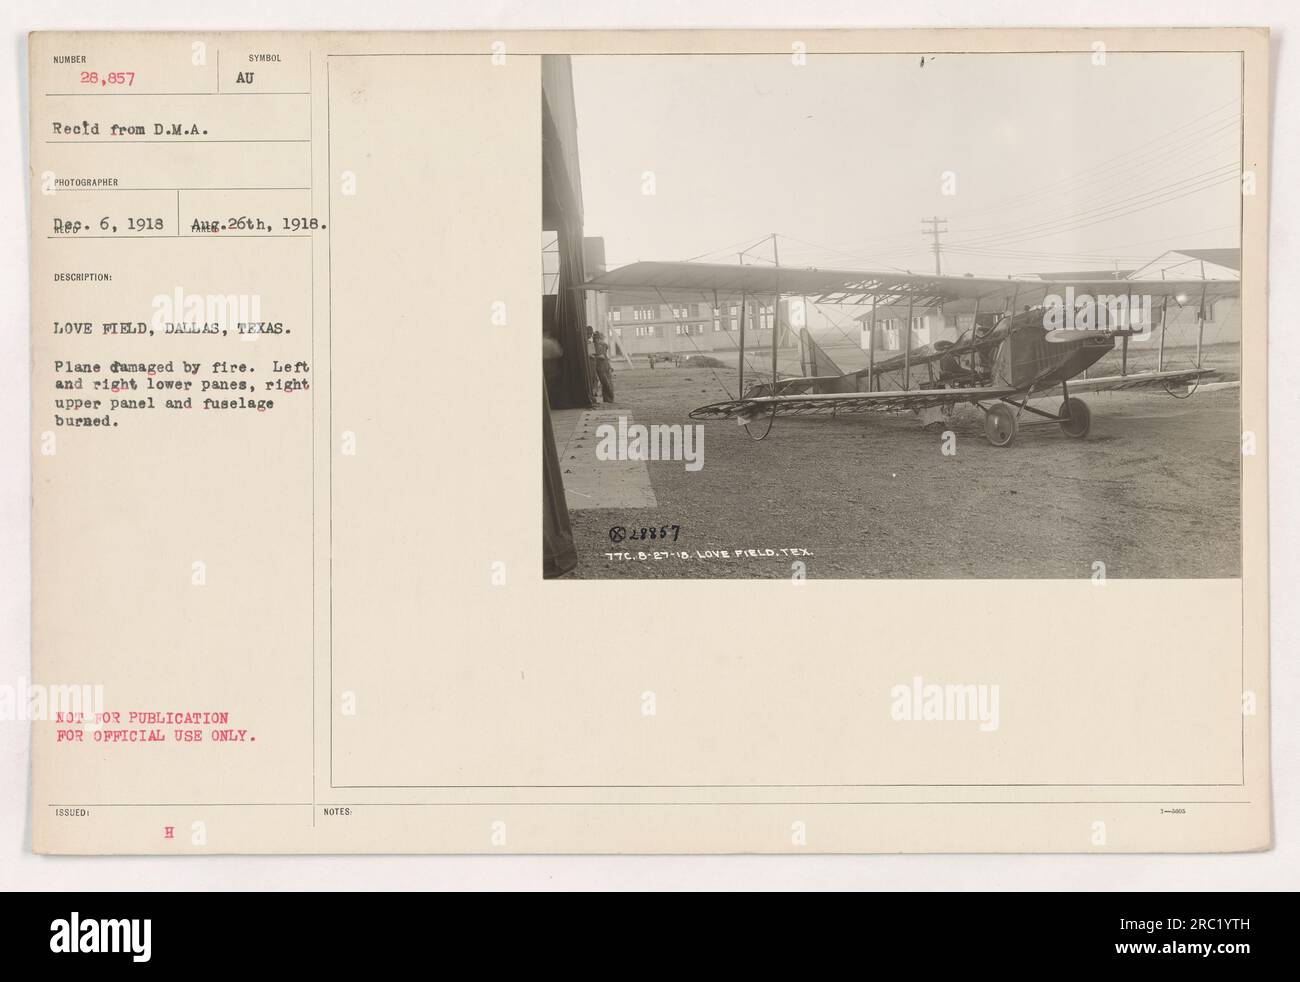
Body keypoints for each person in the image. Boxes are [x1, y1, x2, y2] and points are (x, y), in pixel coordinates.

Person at [592, 330, 615, 403]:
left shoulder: (604, 345)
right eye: (596, 338)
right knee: (605, 383)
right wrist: (598, 356)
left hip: (606, 366)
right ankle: (610, 397)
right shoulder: (592, 345)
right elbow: (590, 357)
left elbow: (605, 356)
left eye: (599, 338)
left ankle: (608, 399)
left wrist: (610, 366)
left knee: (609, 382)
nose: (597, 339)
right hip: (599, 367)